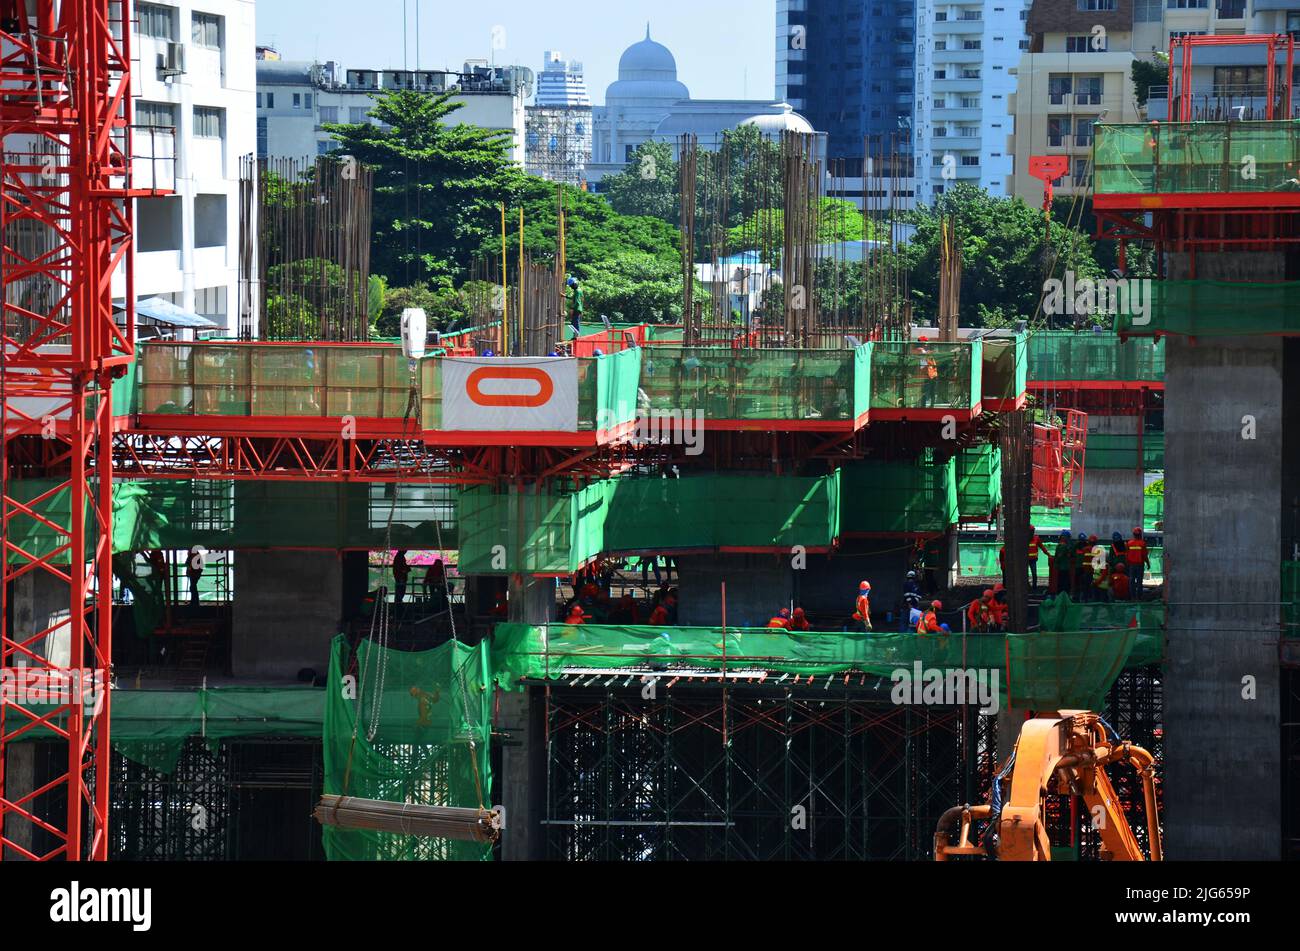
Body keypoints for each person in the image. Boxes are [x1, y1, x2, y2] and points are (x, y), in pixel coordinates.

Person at [1126, 527, 1150, 599]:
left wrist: (1128, 564)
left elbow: (1126, 555)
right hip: (1140, 565)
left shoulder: (1129, 543)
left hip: (1131, 565)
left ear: (1133, 534)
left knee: (1131, 581)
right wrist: (1148, 564)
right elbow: (1145, 556)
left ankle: (1132, 597)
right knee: (1139, 581)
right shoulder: (1142, 543)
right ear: (1140, 534)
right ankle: (1139, 597)